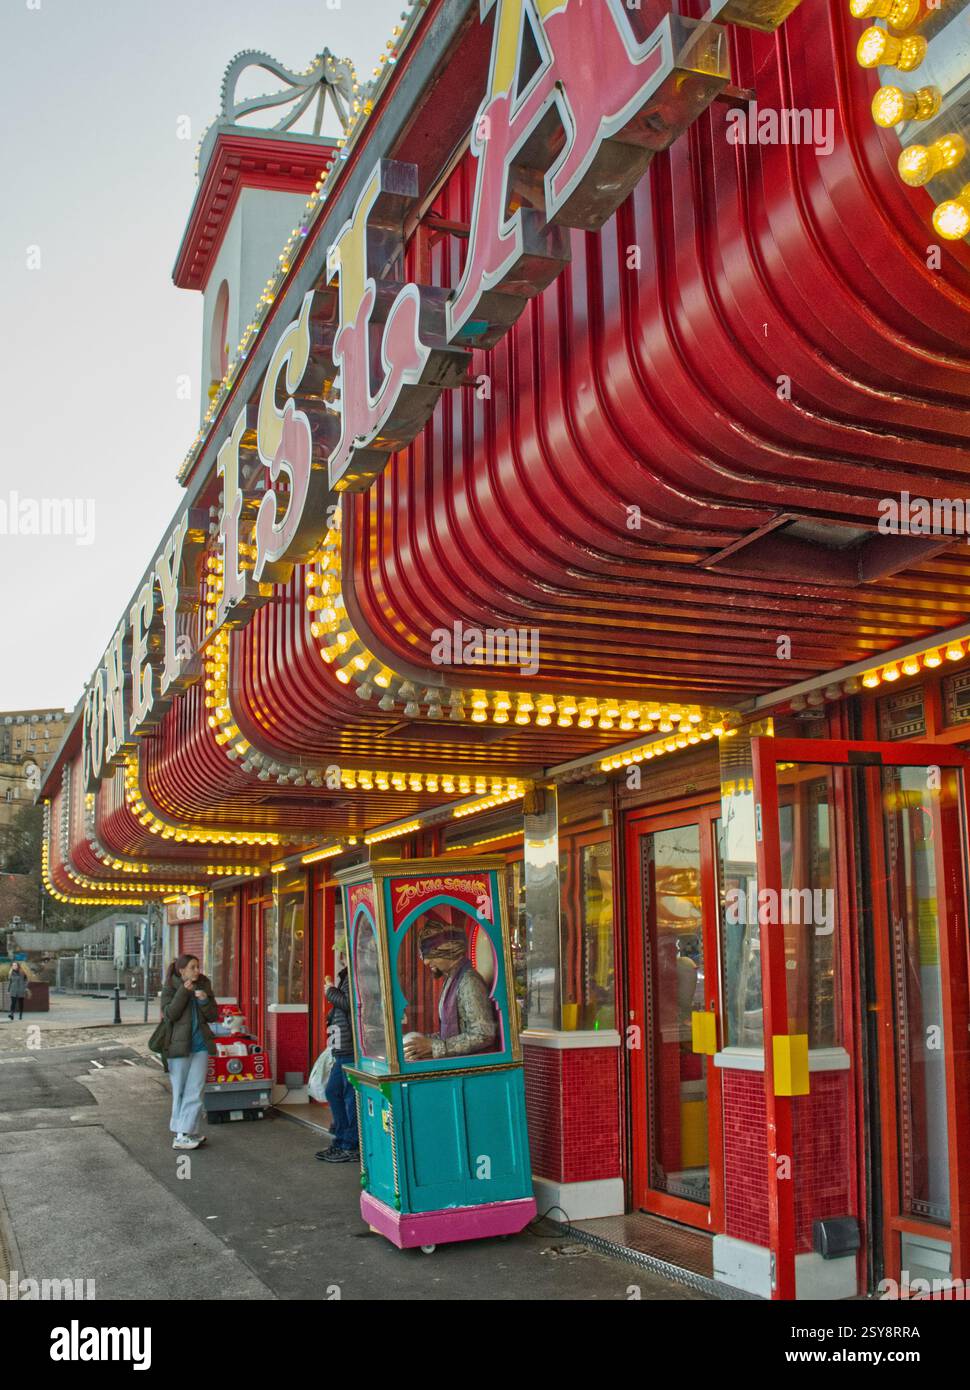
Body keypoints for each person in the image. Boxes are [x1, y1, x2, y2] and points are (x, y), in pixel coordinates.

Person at [403, 918, 497, 1060]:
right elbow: (452, 1033)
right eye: (424, 956)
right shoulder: (452, 979)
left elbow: (483, 1035)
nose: (426, 961)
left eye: (431, 953)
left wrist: (434, 1046)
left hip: (471, 1065)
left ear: (449, 949)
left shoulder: (469, 981)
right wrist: (421, 1042)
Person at [159, 954, 219, 1151]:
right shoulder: (170, 986)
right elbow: (170, 1014)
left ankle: (188, 1131)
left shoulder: (204, 984)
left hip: (201, 1045)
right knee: (180, 1090)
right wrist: (183, 992)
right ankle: (180, 1134)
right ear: (182, 970)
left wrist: (204, 1001)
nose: (197, 971)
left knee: (196, 1089)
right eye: (192, 967)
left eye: (198, 966)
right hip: (178, 1047)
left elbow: (213, 1015)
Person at [318, 936, 360, 1164]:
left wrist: (330, 991)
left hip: (350, 1048)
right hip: (341, 1048)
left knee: (348, 1097)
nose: (340, 957)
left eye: (341, 953)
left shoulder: (355, 976)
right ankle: (341, 1138)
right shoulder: (346, 976)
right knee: (333, 1092)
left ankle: (350, 1144)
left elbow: (351, 1005)